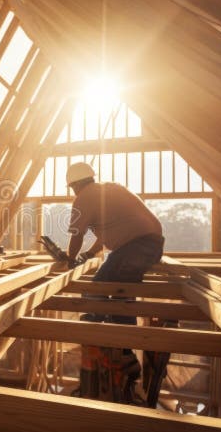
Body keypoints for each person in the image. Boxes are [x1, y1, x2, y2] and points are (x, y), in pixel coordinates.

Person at [64, 162, 164, 404]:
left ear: (75, 185)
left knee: (97, 288)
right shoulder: (109, 190)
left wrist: (69, 260)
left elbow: (76, 235)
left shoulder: (84, 197)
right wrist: (89, 255)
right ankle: (125, 351)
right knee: (122, 293)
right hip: (151, 245)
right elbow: (103, 235)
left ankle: (101, 336)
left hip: (134, 247)